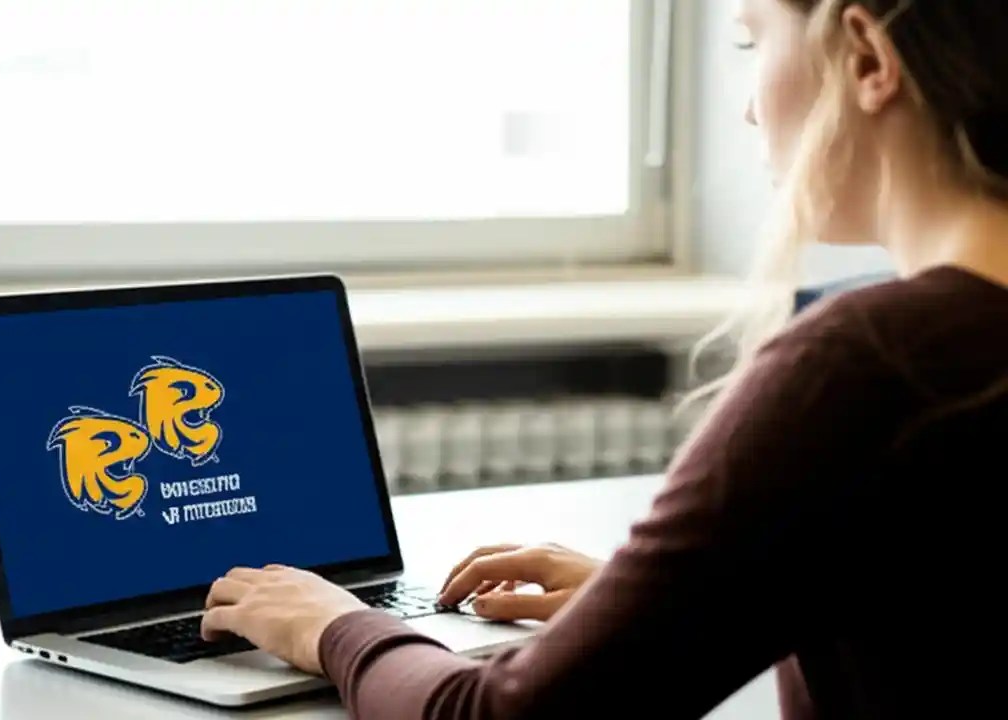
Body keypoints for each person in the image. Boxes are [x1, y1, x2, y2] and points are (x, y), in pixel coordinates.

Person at [199, 0, 1008, 717]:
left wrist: (336, 626)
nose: (752, 113)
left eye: (750, 44)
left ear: (867, 59)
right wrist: (663, 606)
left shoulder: (871, 365)